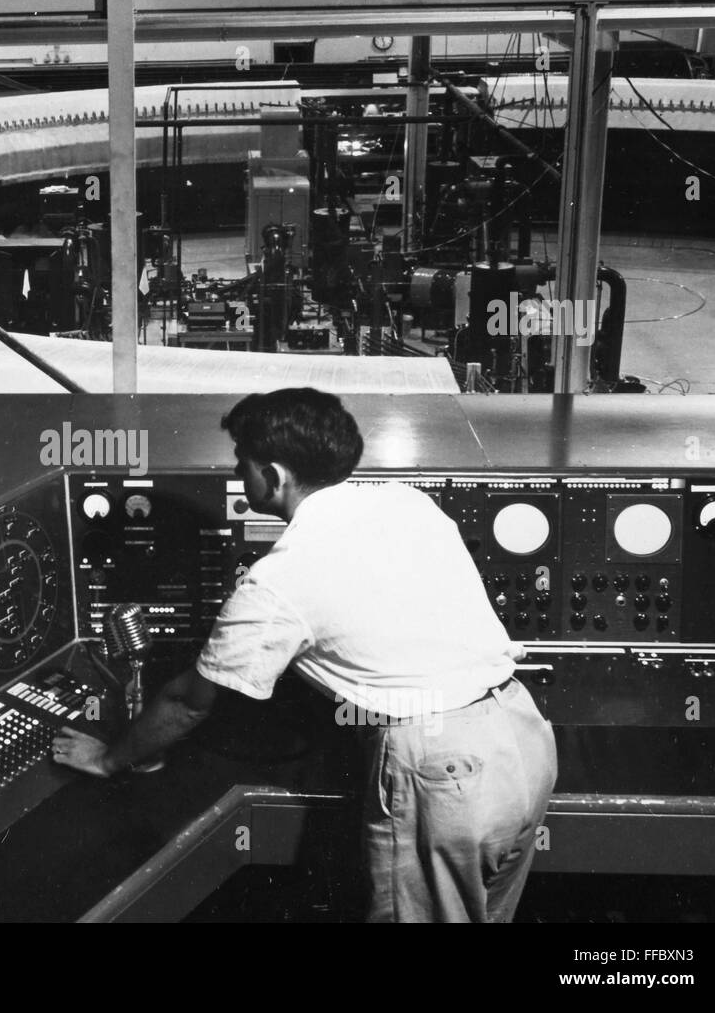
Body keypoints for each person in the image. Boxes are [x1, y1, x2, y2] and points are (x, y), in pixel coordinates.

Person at [53, 387, 558, 923]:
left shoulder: (280, 579)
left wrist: (111, 758)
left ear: (272, 475)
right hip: (522, 737)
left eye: (240, 463)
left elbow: (189, 703)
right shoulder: (409, 502)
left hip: (440, 770)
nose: (236, 475)